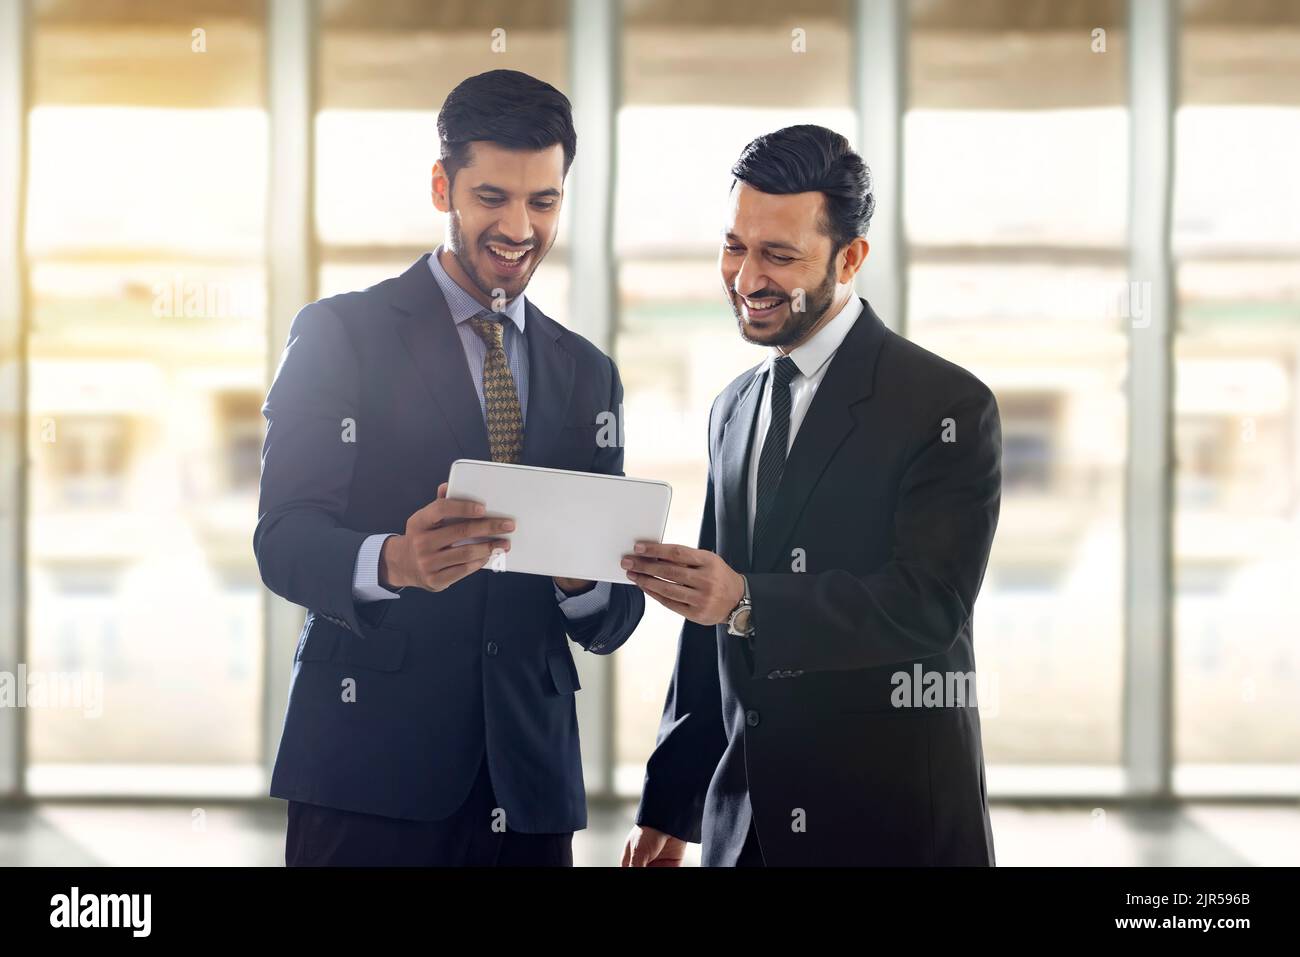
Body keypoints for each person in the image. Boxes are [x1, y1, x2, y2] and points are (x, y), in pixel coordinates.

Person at [256, 69, 644, 866]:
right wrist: (394, 560)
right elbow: (283, 539)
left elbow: (613, 617)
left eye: (543, 201)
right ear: (443, 185)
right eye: (493, 197)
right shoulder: (341, 335)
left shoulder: (588, 373)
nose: (519, 227)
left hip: (527, 780)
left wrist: (584, 581)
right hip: (368, 770)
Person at [621, 125, 1000, 867]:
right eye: (735, 246)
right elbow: (708, 629)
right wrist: (670, 805)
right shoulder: (733, 407)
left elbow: (928, 605)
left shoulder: (945, 404)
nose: (746, 277)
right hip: (744, 830)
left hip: (889, 830)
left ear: (850, 257)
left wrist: (747, 601)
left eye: (779, 255)